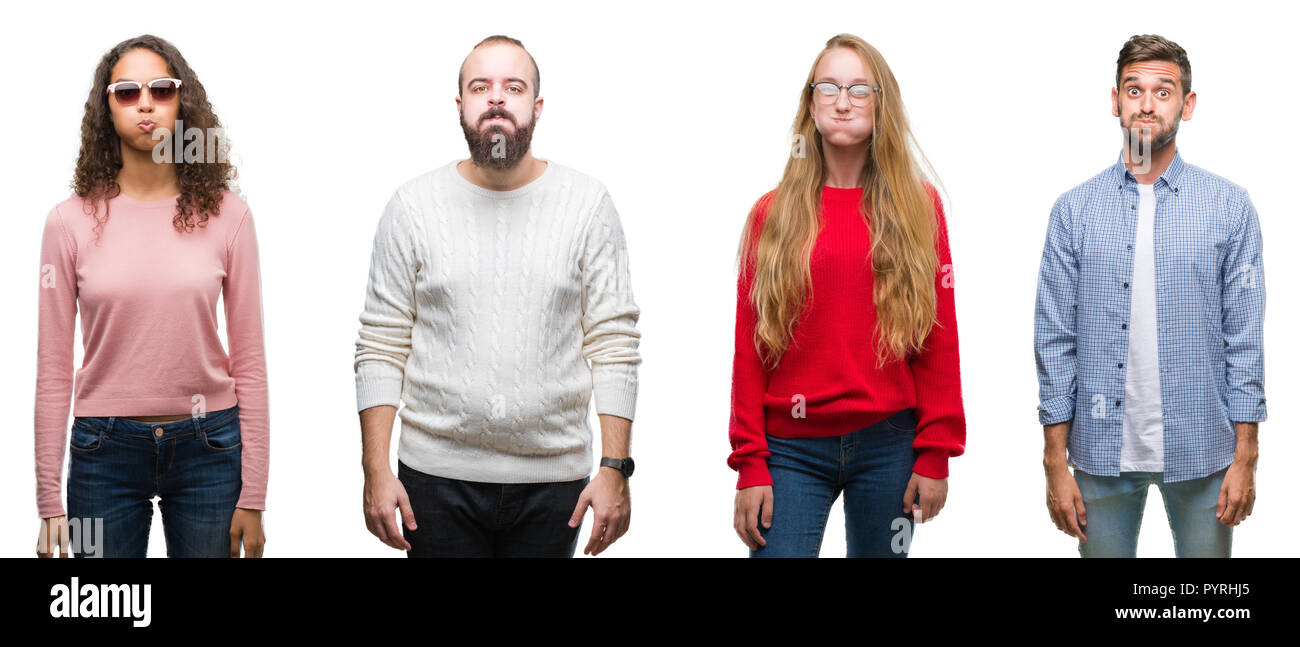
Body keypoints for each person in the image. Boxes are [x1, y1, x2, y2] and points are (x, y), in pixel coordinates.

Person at [355, 35, 641, 558]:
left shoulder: (587, 204)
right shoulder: (412, 206)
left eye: (513, 86)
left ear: (536, 106)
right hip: (434, 479)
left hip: (555, 483)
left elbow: (614, 342)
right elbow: (381, 342)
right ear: (460, 105)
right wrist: (375, 468)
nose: (496, 98)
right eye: (479, 86)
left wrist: (614, 467)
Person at [728, 33, 965, 558]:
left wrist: (935, 455)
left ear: (882, 105)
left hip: (890, 444)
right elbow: (750, 349)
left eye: (859, 89)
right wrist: (750, 461)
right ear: (810, 105)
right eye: (829, 87)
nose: (842, 100)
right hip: (789, 449)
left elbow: (938, 339)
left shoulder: (919, 209)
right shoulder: (770, 214)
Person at [35, 34, 268, 558]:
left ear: (182, 102)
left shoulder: (230, 217)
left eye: (161, 89)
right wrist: (50, 502)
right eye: (126, 91)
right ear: (106, 106)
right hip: (101, 453)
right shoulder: (67, 224)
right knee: (106, 607)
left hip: (210, 448)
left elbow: (249, 360)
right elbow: (53, 369)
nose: (145, 103)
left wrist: (253, 494)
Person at [1036, 34, 1264, 558]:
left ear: (1188, 105)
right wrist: (1053, 460)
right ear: (1114, 101)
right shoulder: (1074, 212)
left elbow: (1244, 339)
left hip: (1206, 449)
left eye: (1164, 92)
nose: (1146, 103)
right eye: (1134, 89)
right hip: (1099, 452)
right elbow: (1054, 339)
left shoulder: (1228, 207)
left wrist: (1246, 454)